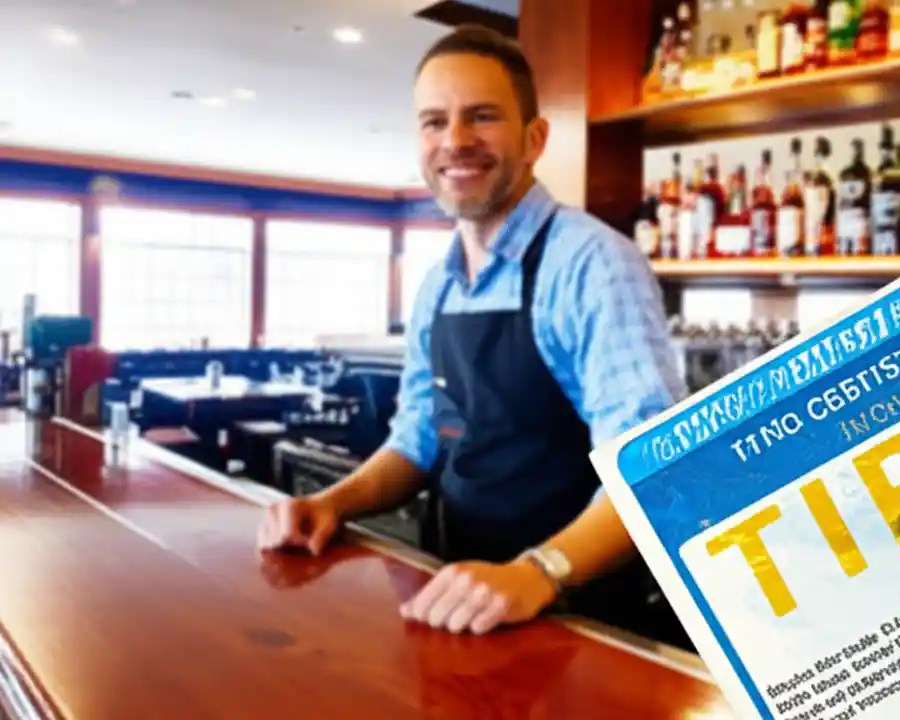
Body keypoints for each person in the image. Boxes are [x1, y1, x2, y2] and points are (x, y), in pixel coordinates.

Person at [257, 25, 687, 642]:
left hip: (577, 615)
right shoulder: (439, 284)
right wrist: (333, 503)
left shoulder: (594, 265)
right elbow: (418, 438)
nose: (455, 141)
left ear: (534, 138)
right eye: (434, 122)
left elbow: (652, 469)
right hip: (456, 598)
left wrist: (541, 571)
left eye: (481, 117)